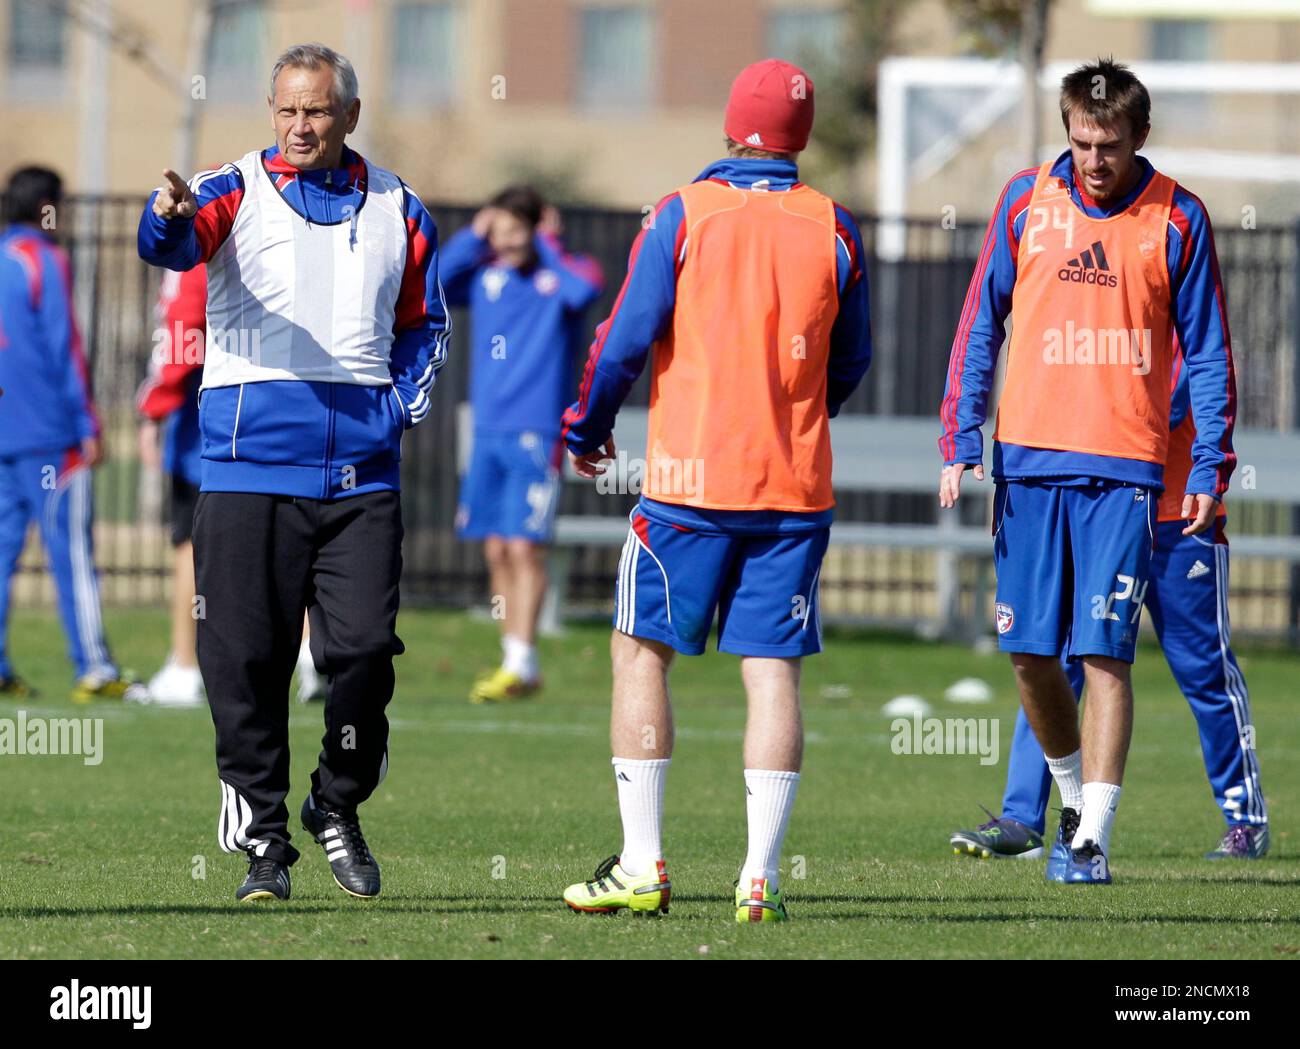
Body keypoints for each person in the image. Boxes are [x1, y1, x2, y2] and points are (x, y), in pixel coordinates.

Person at [558, 59, 871, 922]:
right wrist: (798, 414)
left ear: (732, 126)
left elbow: (623, 339)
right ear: (800, 138)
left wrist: (586, 427)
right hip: (794, 489)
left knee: (640, 652)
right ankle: (759, 877)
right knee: (772, 675)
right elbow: (852, 360)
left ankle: (644, 865)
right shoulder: (833, 226)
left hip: (690, 486)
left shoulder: (683, 212)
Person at [137, 43, 448, 903]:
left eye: (315, 111)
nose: (299, 126)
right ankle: (264, 842)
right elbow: (172, 243)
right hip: (245, 471)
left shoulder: (402, 208)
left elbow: (426, 325)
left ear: (350, 113)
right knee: (244, 661)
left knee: (360, 657)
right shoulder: (229, 186)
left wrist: (396, 409)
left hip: (361, 478)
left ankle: (336, 803)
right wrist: (163, 216)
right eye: (285, 110)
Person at [938, 59, 1236, 885]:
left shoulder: (1178, 217)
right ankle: (1067, 806)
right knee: (1032, 654)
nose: (1093, 159)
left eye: (1108, 144)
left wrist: (1211, 458)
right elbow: (978, 323)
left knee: (1104, 652)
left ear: (1139, 136)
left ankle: (1092, 838)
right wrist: (961, 434)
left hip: (1126, 470)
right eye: (1080, 142)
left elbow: (1208, 352)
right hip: (1028, 463)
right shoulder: (1024, 200)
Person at [951, 364, 1267, 863]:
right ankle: (1023, 817)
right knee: (1055, 656)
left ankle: (1244, 819)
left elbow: (1166, 403)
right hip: (1100, 509)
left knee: (1203, 669)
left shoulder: (1172, 295)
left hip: (1177, 519)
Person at [441, 186, 604, 703]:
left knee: (523, 545)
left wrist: (552, 242)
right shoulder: (486, 275)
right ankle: (513, 659)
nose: (508, 241)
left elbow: (585, 289)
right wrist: (474, 232)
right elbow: (434, 281)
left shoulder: (557, 278)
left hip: (536, 434)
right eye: (501, 229)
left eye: (519, 230)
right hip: (488, 432)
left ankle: (525, 659)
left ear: (537, 229)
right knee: (494, 546)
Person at [0, 166, 146, 702]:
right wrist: (87, 424)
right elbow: (65, 350)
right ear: (45, 207)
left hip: (4, 436)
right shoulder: (43, 259)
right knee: (73, 555)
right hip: (50, 438)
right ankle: (95, 669)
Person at [137, 264, 207, 708]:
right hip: (290, 414)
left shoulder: (199, 237)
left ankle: (185, 666)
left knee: (191, 543)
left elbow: (183, 328)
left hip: (209, 422)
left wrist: (154, 406)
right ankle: (307, 654)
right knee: (292, 530)